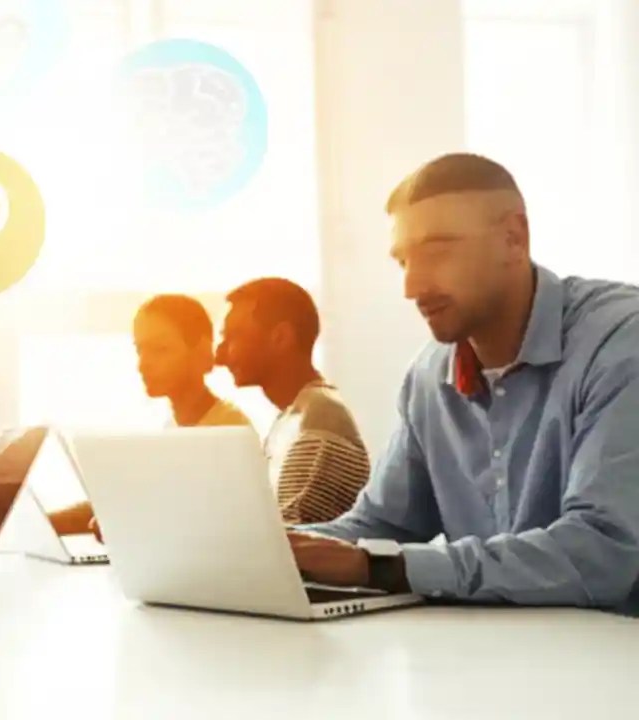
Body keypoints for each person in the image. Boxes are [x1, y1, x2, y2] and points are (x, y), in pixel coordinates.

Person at [288, 153, 639, 613]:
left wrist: (382, 567)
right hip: (490, 662)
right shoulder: (429, 375)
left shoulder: (619, 343)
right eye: (402, 262)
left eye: (437, 251)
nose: (412, 287)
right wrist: (269, 549)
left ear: (515, 238)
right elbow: (379, 524)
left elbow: (602, 553)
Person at [48, 294, 253, 539]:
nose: (142, 365)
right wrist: (37, 525)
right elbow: (126, 502)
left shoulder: (227, 431)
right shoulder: (173, 428)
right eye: (140, 350)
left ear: (200, 351)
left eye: (160, 349)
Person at [217, 277, 370, 523]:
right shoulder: (292, 416)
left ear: (280, 338)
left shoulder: (318, 416)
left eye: (234, 336)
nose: (220, 356)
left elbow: (290, 542)